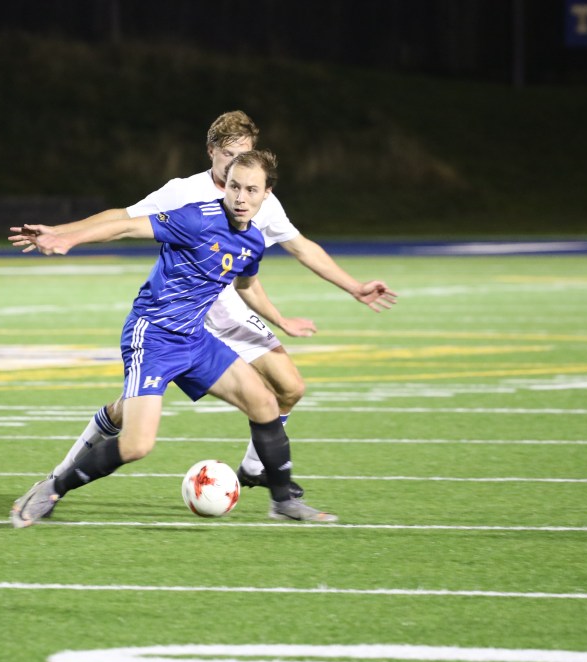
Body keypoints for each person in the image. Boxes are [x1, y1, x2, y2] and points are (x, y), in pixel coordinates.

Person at [27, 111, 396, 502]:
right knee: (129, 418)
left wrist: (353, 287)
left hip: (226, 310)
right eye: (229, 155)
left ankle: (257, 470)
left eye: (245, 155)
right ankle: (60, 478)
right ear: (211, 152)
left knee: (289, 388)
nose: (238, 166)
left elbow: (296, 249)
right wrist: (63, 233)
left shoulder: (256, 194)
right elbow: (123, 219)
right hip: (174, 314)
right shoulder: (184, 194)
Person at [8, 150, 337, 527]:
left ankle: (282, 501)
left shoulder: (253, 243)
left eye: (251, 190)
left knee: (265, 403)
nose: (241, 198)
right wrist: (69, 239)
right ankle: (52, 489)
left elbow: (246, 284)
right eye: (234, 187)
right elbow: (127, 226)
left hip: (195, 340)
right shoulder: (197, 217)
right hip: (154, 337)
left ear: (267, 194)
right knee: (136, 446)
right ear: (224, 186)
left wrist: (281, 320)